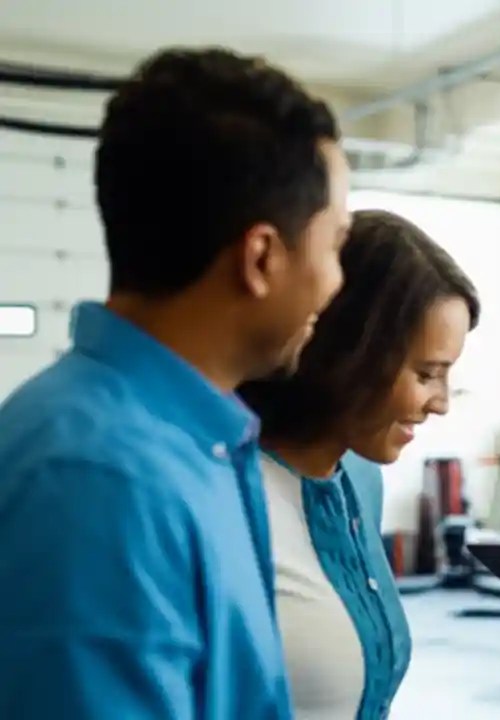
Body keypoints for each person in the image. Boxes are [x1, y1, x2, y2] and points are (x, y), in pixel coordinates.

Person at [0, 48, 349, 718]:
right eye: (335, 245)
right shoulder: (98, 477)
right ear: (262, 258)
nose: (338, 283)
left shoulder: (197, 442)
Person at [236, 209, 480, 719]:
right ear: (351, 354)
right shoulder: (228, 495)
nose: (441, 402)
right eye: (427, 373)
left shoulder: (360, 479)